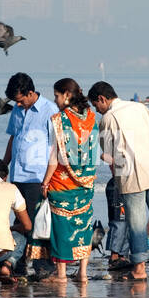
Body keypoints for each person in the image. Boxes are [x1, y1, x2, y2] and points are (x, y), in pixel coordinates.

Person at [87, 81, 149, 281]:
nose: (97, 111)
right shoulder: (140, 107)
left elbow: (107, 152)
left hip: (131, 173)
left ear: (102, 99)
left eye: (96, 106)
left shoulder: (109, 118)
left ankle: (139, 268)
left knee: (137, 222)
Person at [34, 78, 99, 283]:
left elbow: (54, 158)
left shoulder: (59, 120)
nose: (56, 100)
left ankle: (61, 274)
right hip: (86, 182)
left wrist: (44, 183)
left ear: (67, 95)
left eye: (56, 95)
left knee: (61, 227)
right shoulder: (91, 117)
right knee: (83, 226)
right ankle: (82, 273)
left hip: (62, 183)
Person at [3, 73, 58, 273]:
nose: (19, 104)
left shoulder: (50, 110)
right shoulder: (16, 110)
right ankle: (18, 263)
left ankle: (43, 265)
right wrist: (3, 167)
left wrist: (49, 179)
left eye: (20, 100)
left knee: (38, 222)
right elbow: (13, 139)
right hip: (17, 175)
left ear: (31, 93)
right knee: (19, 222)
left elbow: (56, 145)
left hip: (38, 176)